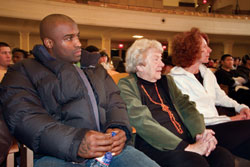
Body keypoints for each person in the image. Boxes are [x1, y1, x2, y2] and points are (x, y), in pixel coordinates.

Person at [0, 14, 159, 167]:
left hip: (108, 151)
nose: (78, 43)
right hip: (53, 154)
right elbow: (25, 118)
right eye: (69, 38)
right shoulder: (22, 71)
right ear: (49, 42)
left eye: (77, 36)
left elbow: (115, 102)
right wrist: (76, 142)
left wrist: (119, 127)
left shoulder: (94, 67)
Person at [118, 38, 235, 167]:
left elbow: (188, 107)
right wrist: (186, 147)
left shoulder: (166, 81)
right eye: (156, 59)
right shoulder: (127, 85)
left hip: (185, 138)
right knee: (193, 162)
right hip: (156, 145)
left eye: (161, 59)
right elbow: (141, 121)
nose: (162, 64)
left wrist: (200, 134)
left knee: (222, 156)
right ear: (139, 65)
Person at [170, 27, 250, 160]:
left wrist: (240, 107)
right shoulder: (175, 79)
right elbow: (190, 117)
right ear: (192, 50)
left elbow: (221, 97)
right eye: (205, 47)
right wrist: (231, 119)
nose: (210, 50)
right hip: (201, 130)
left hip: (219, 125)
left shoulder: (207, 73)